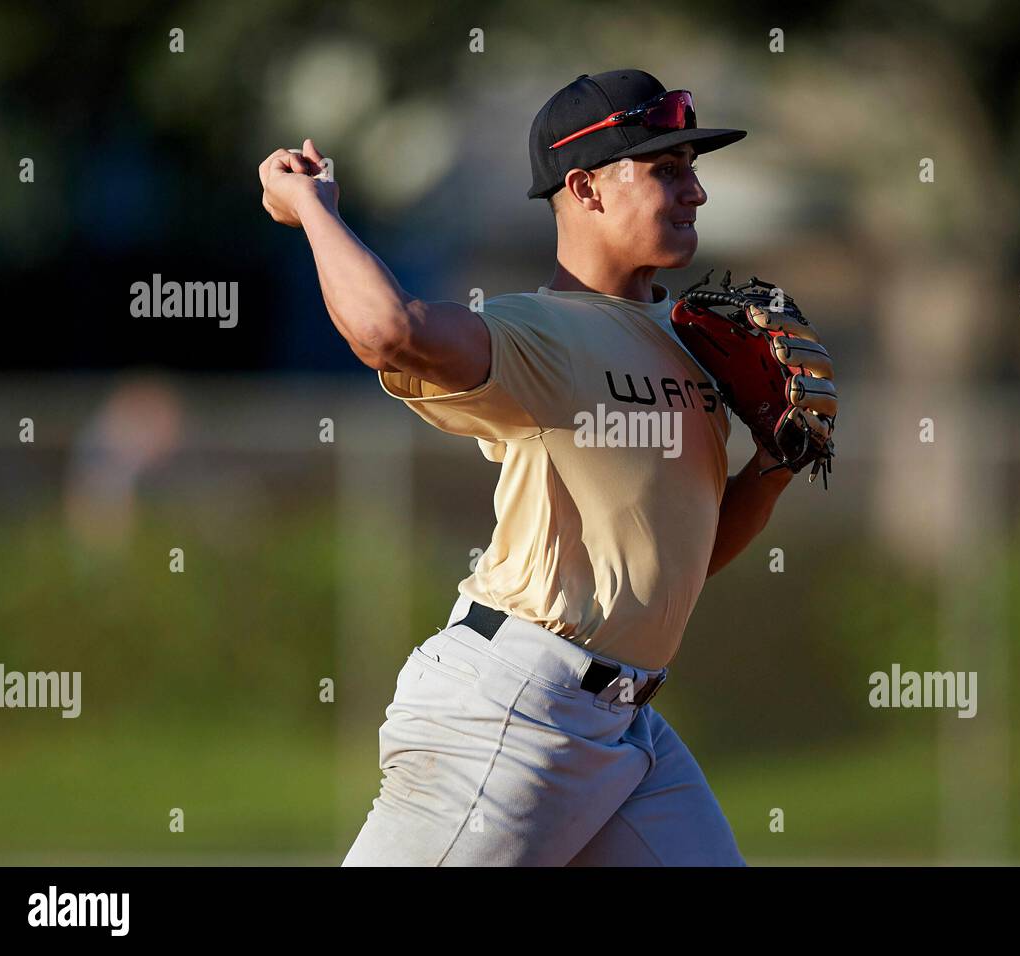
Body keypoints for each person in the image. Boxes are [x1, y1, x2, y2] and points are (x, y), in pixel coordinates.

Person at [259, 68, 797, 866]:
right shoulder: (537, 331)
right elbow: (386, 329)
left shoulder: (696, 344)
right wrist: (312, 208)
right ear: (585, 188)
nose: (697, 193)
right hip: (513, 711)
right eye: (666, 170)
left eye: (694, 169)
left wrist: (778, 465)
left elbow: (685, 559)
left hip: (628, 726)